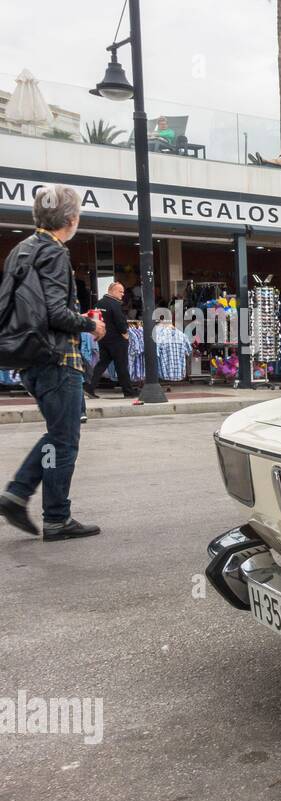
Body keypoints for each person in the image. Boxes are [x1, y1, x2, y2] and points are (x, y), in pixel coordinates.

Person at [0, 185, 105, 542]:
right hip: (59, 358)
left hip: (30, 358)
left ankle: (28, 500)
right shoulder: (55, 252)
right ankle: (50, 514)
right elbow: (57, 313)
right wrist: (92, 324)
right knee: (64, 438)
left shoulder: (22, 250)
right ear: (71, 219)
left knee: (56, 435)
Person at [87, 281, 136, 399]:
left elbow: (94, 319)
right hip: (117, 340)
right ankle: (128, 391)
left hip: (103, 338)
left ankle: (90, 387)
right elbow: (120, 321)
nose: (123, 294)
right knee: (122, 365)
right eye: (121, 291)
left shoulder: (98, 303)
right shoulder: (114, 304)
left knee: (102, 363)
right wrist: (125, 333)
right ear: (113, 291)